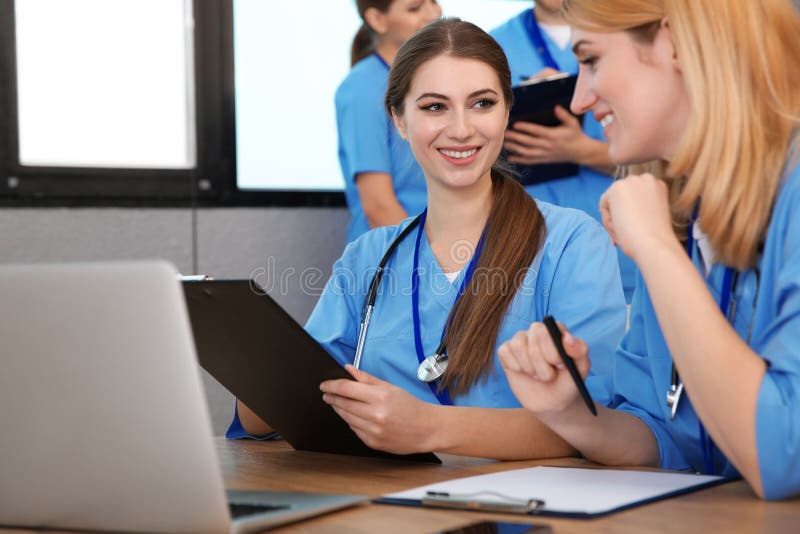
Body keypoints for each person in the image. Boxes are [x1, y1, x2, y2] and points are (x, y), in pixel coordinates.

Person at [231, 18, 626, 460]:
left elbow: (596, 423)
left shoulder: (572, 244)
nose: (461, 129)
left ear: (506, 112)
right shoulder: (369, 257)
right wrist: (244, 351)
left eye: (482, 103)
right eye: (435, 107)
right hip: (388, 499)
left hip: (521, 501)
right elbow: (275, 411)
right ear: (399, 120)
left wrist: (429, 428)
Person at [498, 0, 800, 499]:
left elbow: (783, 457)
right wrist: (570, 414)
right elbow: (666, 433)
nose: (579, 100)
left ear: (674, 42)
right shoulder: (679, 208)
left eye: (591, 60)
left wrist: (658, 251)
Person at [490, 1, 635, 302]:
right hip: (533, 252)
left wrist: (581, 151)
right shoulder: (493, 47)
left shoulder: (626, 28)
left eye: (592, 62)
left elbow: (665, 158)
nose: (582, 99)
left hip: (622, 249)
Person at [336, 0, 441, 243]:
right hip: (395, 253)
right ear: (377, 20)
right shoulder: (362, 88)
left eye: (434, 1)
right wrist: (432, 260)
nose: (434, 13)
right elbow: (378, 207)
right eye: (415, 8)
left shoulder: (437, 79)